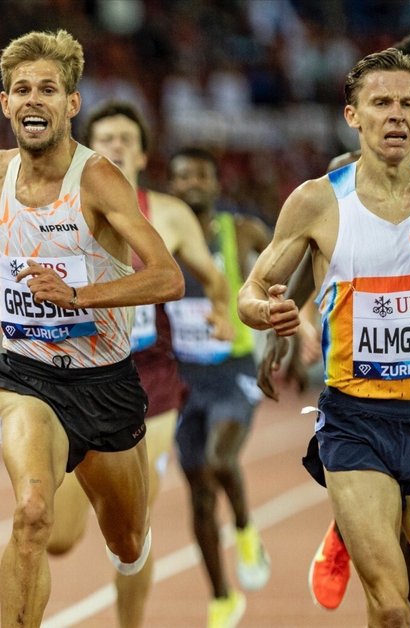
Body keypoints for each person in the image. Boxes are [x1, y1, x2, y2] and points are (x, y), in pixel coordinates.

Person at [0, 30, 184, 626]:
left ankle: (133, 550)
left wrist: (77, 294)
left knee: (128, 542)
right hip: (28, 375)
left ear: (71, 104)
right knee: (32, 513)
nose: (34, 100)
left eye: (48, 90)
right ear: (4, 103)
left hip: (104, 382)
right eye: (22, 89)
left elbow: (167, 278)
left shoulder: (100, 180)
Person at [237, 47, 410, 628]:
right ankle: (351, 524)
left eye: (409, 104)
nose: (397, 115)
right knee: (391, 608)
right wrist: (269, 314)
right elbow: (252, 290)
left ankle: (345, 531)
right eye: (382, 103)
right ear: (352, 116)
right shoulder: (318, 201)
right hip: (356, 420)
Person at [43, 100, 233, 628]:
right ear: (85, 149)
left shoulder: (168, 213)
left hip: (148, 380)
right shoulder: (57, 205)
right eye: (106, 138)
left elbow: (213, 277)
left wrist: (221, 310)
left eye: (128, 138)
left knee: (132, 525)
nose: (118, 146)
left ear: (144, 153)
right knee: (59, 538)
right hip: (76, 377)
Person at [165, 146, 274, 626]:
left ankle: (247, 529)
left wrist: (296, 324)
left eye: (200, 175)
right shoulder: (158, 237)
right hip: (183, 381)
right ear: (172, 186)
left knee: (220, 460)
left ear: (215, 183)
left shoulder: (240, 230)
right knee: (199, 494)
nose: (191, 182)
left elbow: (287, 265)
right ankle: (221, 596)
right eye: (182, 175)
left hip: (232, 373)